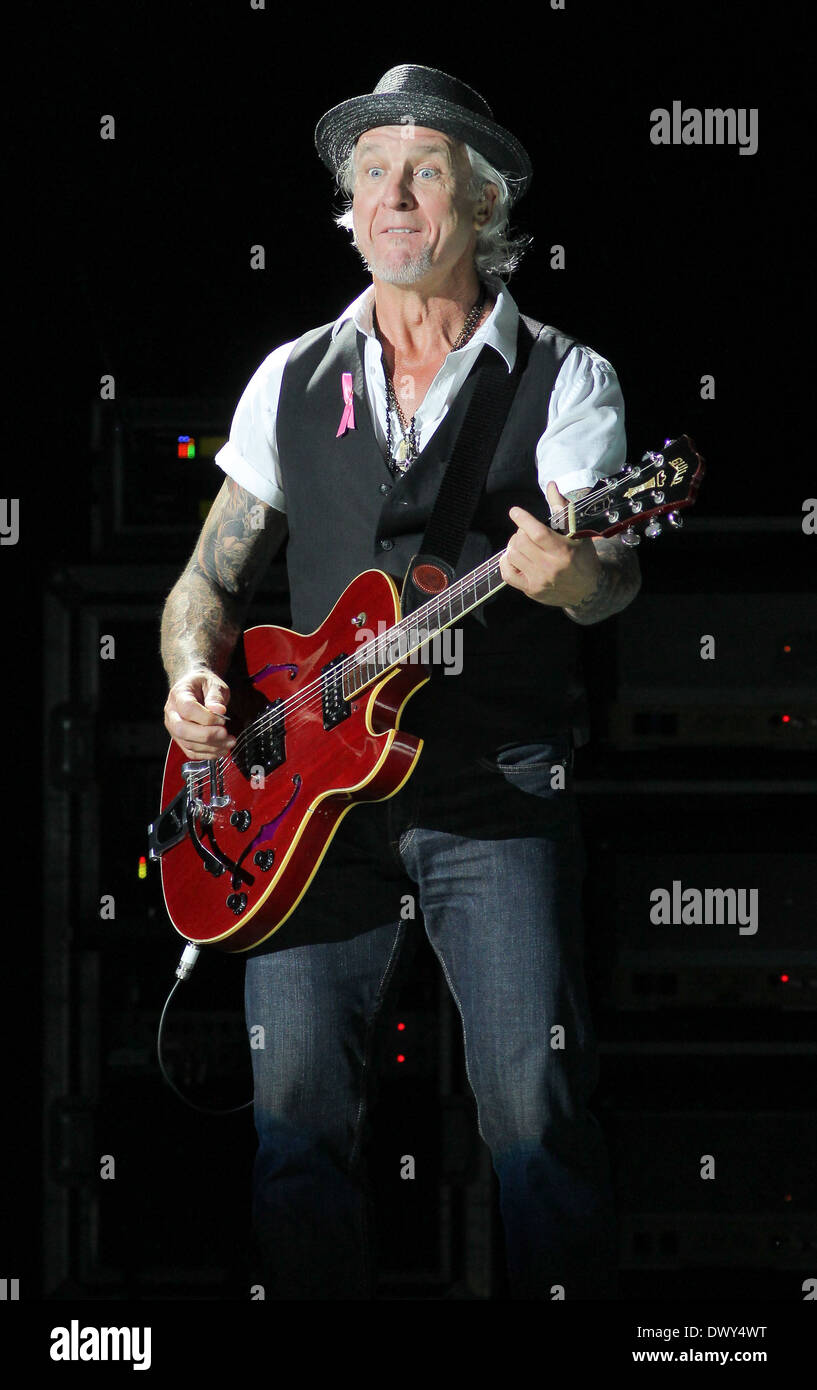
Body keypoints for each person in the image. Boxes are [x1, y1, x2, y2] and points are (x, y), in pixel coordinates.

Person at [160, 64, 641, 1300]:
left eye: (424, 168)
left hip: (492, 786)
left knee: (534, 1123)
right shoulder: (292, 374)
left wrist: (566, 574)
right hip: (303, 812)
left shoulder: (564, 377)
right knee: (295, 1137)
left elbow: (611, 583)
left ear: (482, 204)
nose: (392, 194)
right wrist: (187, 678)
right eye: (370, 171)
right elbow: (205, 585)